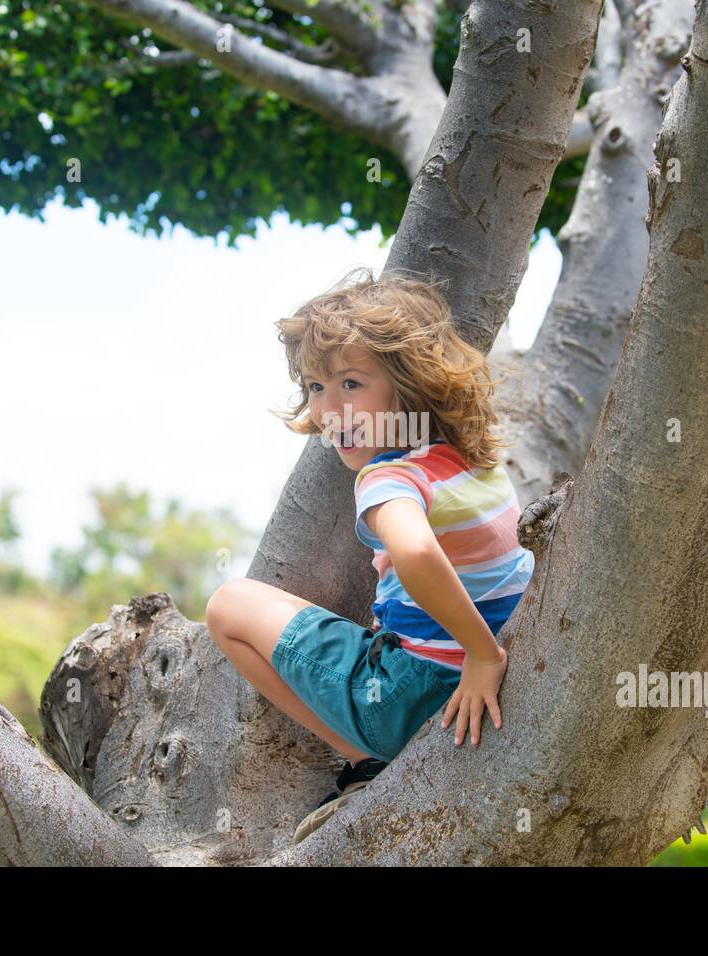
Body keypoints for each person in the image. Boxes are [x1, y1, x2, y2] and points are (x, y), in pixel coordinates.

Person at [204, 266, 535, 844]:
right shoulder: (470, 461)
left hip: (414, 696)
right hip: (495, 668)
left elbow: (412, 549)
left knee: (229, 606)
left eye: (351, 385)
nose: (330, 410)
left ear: (409, 384)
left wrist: (484, 654)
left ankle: (363, 756)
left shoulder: (388, 480)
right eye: (315, 387)